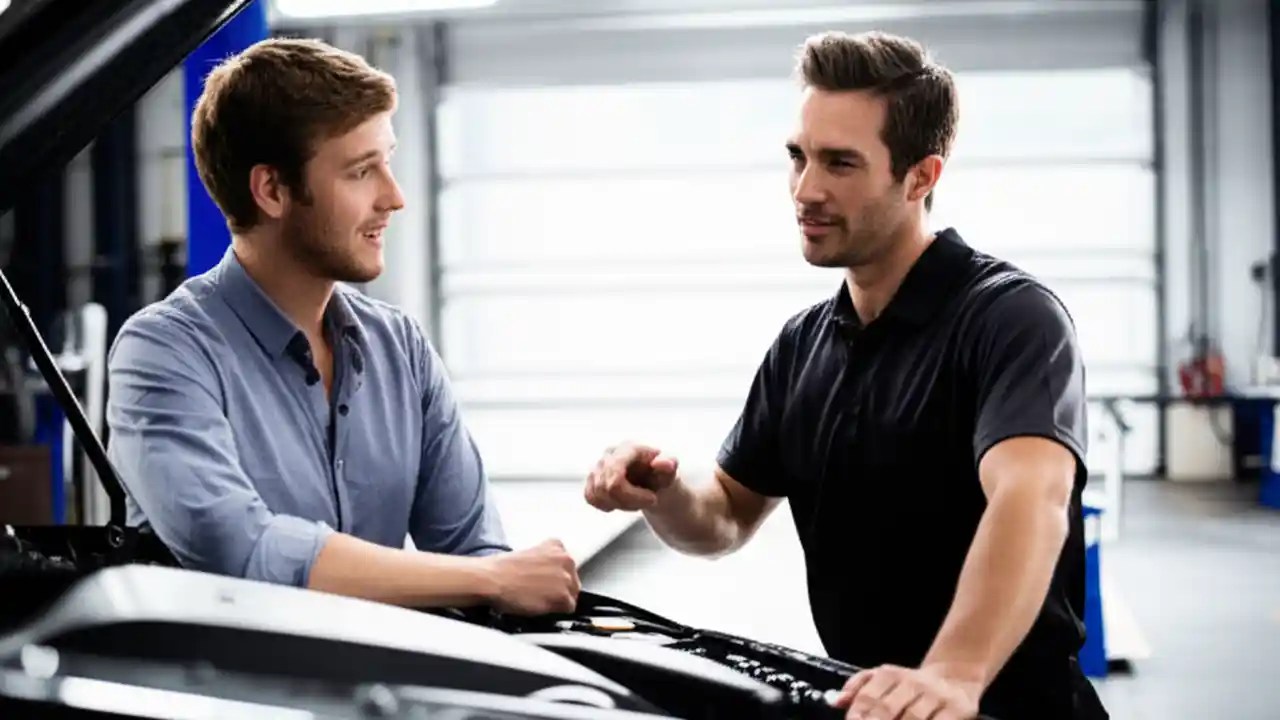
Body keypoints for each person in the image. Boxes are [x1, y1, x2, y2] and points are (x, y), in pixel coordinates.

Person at [583, 30, 1109, 720]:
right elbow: (725, 518)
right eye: (798, 157)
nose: (806, 190)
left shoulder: (1012, 320)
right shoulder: (804, 345)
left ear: (922, 176)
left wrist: (953, 673)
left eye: (840, 164)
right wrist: (665, 489)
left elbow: (1030, 499)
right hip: (871, 705)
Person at [106, 38, 578, 617]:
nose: (395, 197)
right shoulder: (163, 352)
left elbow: (472, 551)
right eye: (361, 171)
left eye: (389, 161)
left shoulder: (399, 349)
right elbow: (240, 550)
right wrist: (492, 578)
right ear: (273, 191)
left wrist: (493, 578)